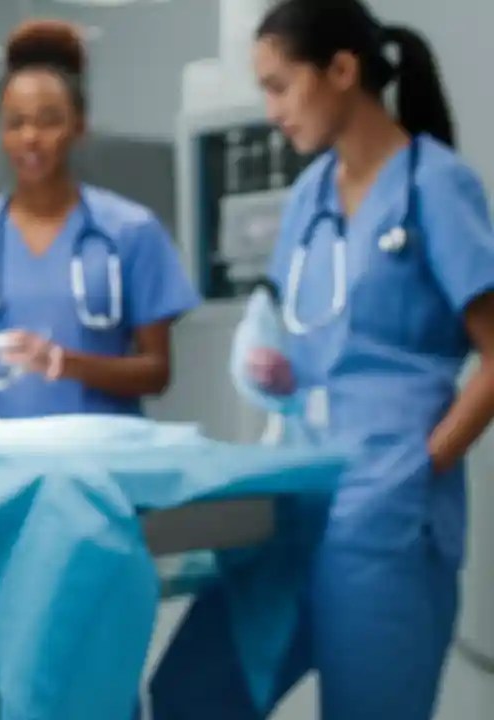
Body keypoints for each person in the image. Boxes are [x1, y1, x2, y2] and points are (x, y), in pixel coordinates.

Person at [148, 1, 494, 718]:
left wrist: (420, 464)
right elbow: (293, 327)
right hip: (296, 497)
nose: (269, 111)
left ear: (342, 70)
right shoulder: (308, 196)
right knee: (190, 694)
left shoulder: (434, 184)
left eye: (279, 86)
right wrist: (270, 367)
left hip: (385, 516)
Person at [0, 18, 200, 719]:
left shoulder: (130, 233)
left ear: (79, 127)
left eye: (48, 121)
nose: (29, 139)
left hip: (100, 491)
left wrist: (64, 361)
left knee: (96, 665)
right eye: (15, 124)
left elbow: (155, 371)